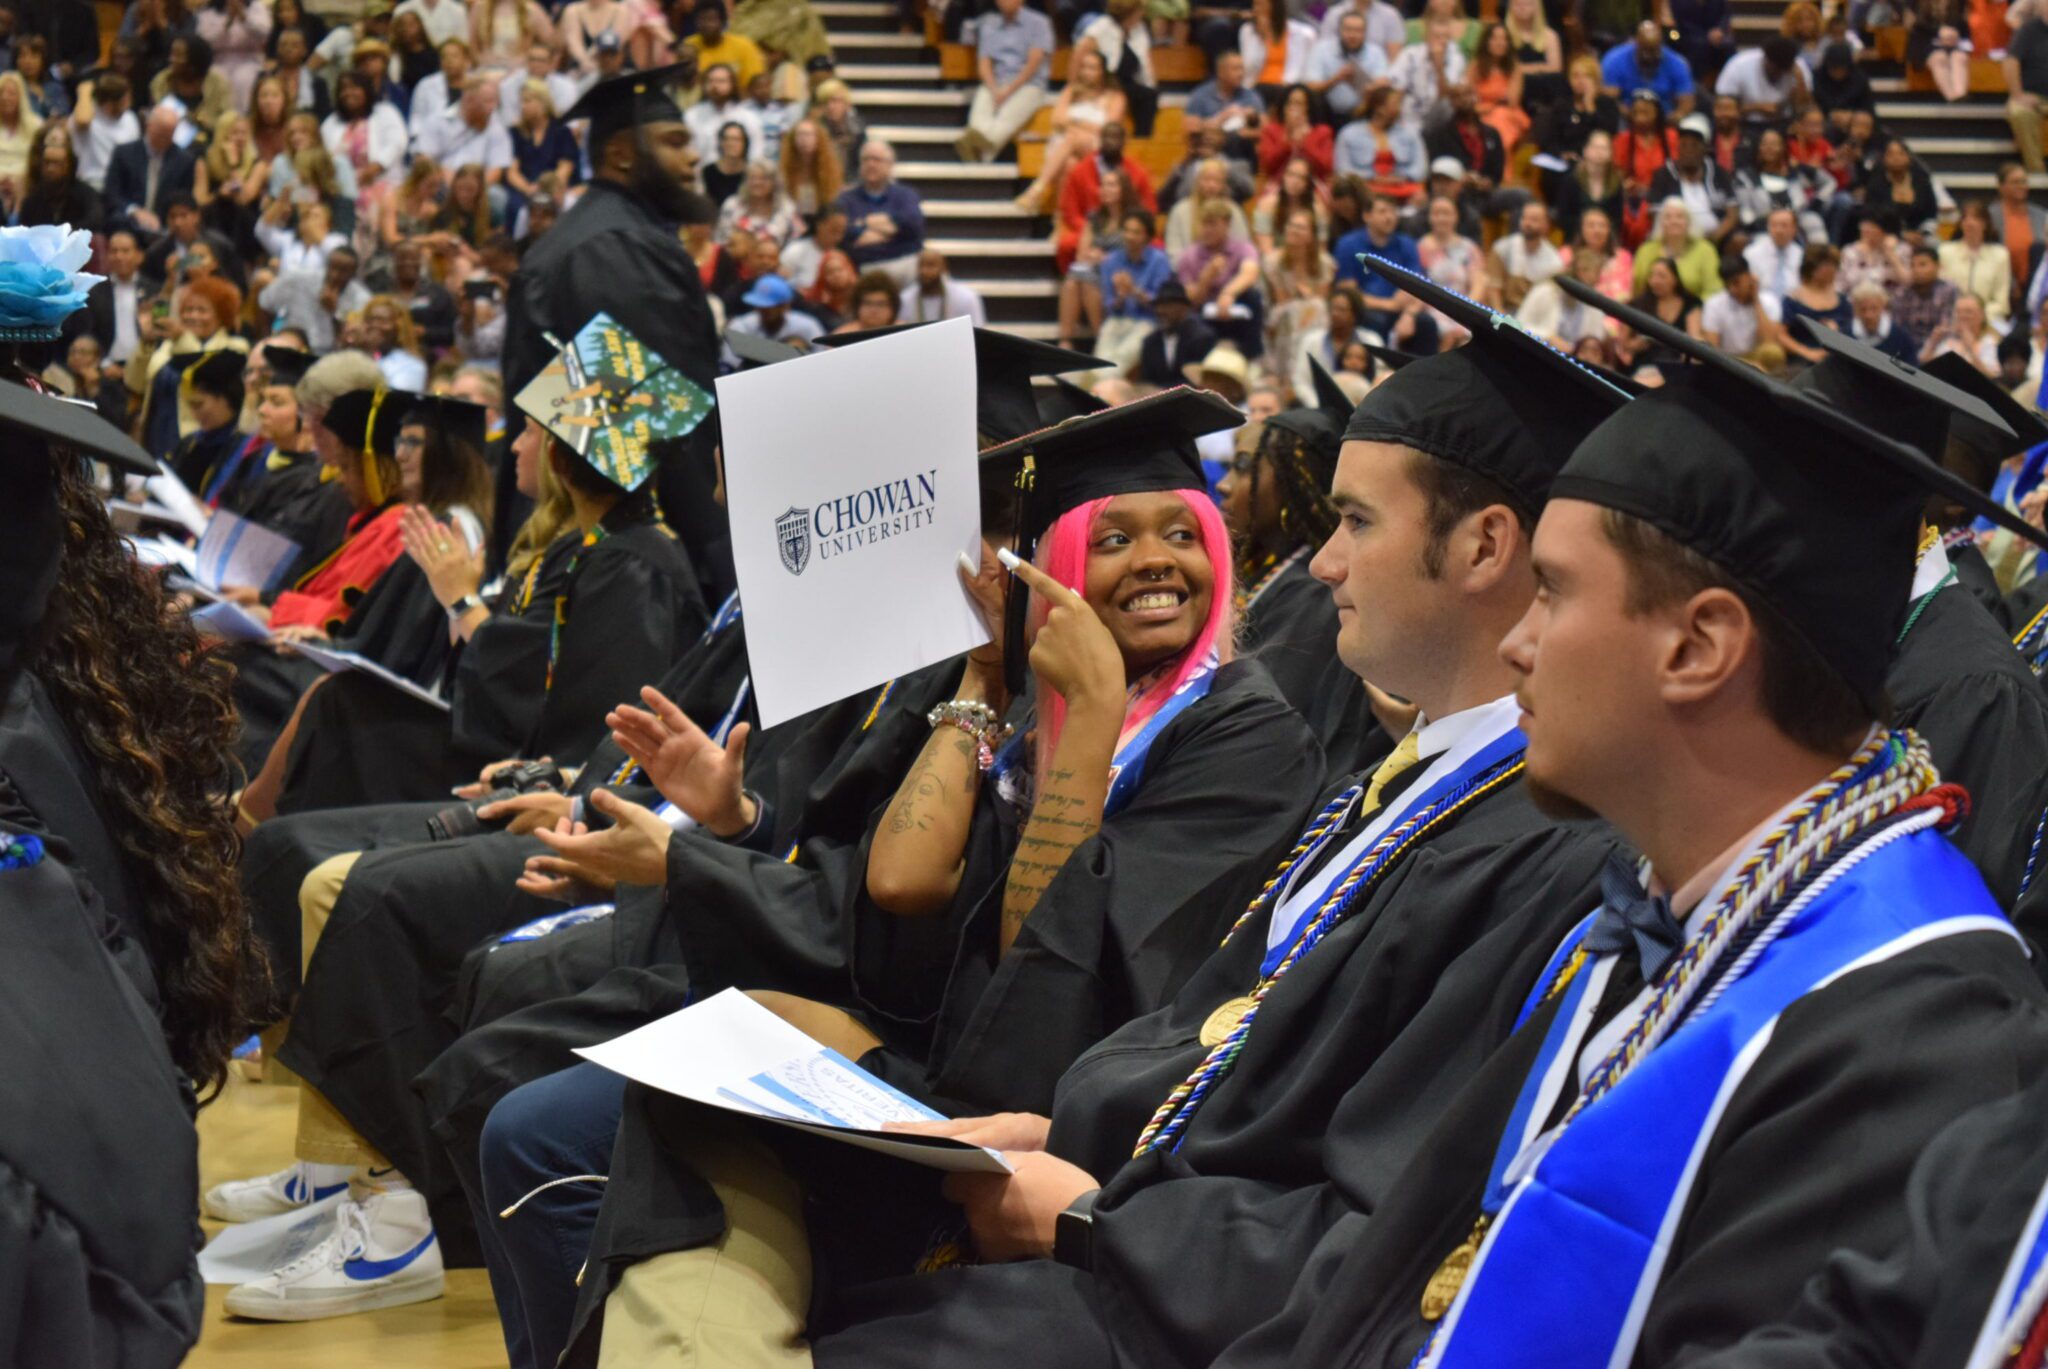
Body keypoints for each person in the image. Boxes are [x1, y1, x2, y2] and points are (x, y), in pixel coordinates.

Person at [564, 261, 1629, 1369]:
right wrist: (986, 692)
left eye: (1350, 520)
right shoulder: (1395, 785)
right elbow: (932, 914)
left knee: (610, 1156)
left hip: (1147, 1252)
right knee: (657, 1112)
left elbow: (1082, 983)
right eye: (1109, 539)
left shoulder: (1266, 743)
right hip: (1075, 1143)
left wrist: (1088, 1190)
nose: (1315, 563)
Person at [504, 64, 723, 580]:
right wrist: (713, 554)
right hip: (623, 562)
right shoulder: (617, 247)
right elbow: (657, 421)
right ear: (622, 153)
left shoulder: (603, 233)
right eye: (674, 141)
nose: (693, 157)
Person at [1011, 47, 1124, 217]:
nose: (1087, 72)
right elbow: (1056, 119)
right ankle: (1061, 220)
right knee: (1069, 164)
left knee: (1071, 137)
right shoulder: (1071, 91)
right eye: (1084, 67)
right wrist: (1086, 125)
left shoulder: (1115, 97)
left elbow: (1109, 129)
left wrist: (1076, 123)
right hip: (1063, 148)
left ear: (1102, 71)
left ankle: (1037, 189)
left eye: (1092, 67)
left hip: (1098, 148)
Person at [1337, 190, 1437, 352]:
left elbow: (1421, 287)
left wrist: (1410, 314)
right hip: (1367, 309)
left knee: (1427, 323)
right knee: (1376, 320)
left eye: (1393, 211)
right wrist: (1389, 305)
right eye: (1382, 211)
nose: (1389, 217)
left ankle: (1428, 376)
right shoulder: (1348, 244)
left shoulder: (1407, 244)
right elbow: (1348, 293)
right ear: (1367, 216)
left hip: (1401, 310)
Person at [958, 0, 1051, 164]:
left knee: (1006, 118)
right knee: (981, 104)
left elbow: (1033, 64)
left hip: (1028, 83)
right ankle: (981, 152)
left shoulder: (1039, 23)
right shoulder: (989, 23)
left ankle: (978, 153)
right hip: (996, 81)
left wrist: (1008, 90)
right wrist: (994, 89)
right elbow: (984, 63)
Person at [835, 138, 925, 288]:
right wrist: (891, 230)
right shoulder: (846, 199)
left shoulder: (906, 195)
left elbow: (913, 226)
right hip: (862, 267)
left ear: (890, 165)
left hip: (903, 264)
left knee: (931, 271)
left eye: (876, 160)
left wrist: (864, 223)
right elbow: (844, 233)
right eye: (866, 159)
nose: (871, 164)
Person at [1699, 254, 1786, 371]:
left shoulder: (1769, 301)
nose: (1732, 289)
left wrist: (1756, 301)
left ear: (1750, 277)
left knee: (1773, 352)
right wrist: (1748, 366)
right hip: (1727, 358)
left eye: (1736, 282)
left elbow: (1770, 341)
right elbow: (1712, 348)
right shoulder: (1713, 304)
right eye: (1727, 284)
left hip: (1758, 357)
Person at [1333, 86, 1425, 195]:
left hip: (1402, 186)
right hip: (1363, 188)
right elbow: (1343, 169)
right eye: (1395, 104)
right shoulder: (1349, 134)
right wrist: (1371, 178)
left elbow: (1420, 167)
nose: (1399, 109)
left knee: (1420, 196)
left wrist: (1402, 178)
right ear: (1379, 107)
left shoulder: (1410, 134)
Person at [1941, 199, 2015, 328]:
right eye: (1965, 218)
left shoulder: (2000, 255)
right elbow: (1941, 293)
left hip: (1989, 320)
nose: (1969, 223)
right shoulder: (1945, 251)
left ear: (1985, 223)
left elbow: (2001, 302)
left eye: (1975, 218)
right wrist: (1961, 315)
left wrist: (1976, 316)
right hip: (1952, 319)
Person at [1601, 19, 1696, 115]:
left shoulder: (1677, 62)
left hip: (1665, 116)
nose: (1649, 56)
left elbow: (1686, 101)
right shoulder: (1615, 59)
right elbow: (1610, 100)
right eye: (1646, 50)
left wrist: (1675, 117)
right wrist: (1633, 116)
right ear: (1636, 42)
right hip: (1627, 115)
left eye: (1653, 51)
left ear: (1660, 44)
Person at [1307, 9, 1386, 122]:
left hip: (1364, 112)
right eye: (1348, 29)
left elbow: (1382, 84)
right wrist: (1336, 79)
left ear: (1365, 33)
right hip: (1328, 113)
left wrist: (1367, 88)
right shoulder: (1321, 49)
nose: (1353, 35)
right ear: (1339, 30)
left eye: (1358, 30)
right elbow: (1311, 86)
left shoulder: (1376, 52)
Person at [1488, 198, 1562, 313]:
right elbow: (1494, 286)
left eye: (1534, 220)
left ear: (1546, 225)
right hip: (1502, 312)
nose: (1527, 223)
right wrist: (1499, 314)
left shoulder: (1554, 262)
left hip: (1532, 317)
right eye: (1524, 218)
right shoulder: (1502, 248)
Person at [1717, 33, 1807, 121]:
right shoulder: (1739, 65)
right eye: (1776, 69)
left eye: (1782, 70)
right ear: (1767, 60)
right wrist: (1756, 108)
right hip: (1745, 124)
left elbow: (1805, 109)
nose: (1778, 74)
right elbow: (1723, 110)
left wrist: (1800, 81)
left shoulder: (1799, 68)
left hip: (1784, 123)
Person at [900, 247, 987, 325]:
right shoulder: (905, 299)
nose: (924, 271)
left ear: (944, 268)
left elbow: (976, 330)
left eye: (930, 265)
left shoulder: (966, 297)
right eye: (921, 266)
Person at [2009, 0, 2048, 172]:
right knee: (2020, 112)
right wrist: (2018, 95)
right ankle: (2036, 170)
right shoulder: (2028, 30)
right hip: (2033, 96)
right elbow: (2010, 62)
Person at [1847, 276, 1920, 361]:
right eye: (1863, 309)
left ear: (1883, 307)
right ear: (1855, 310)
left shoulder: (1900, 337)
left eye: (1874, 308)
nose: (1868, 315)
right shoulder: (1846, 335)